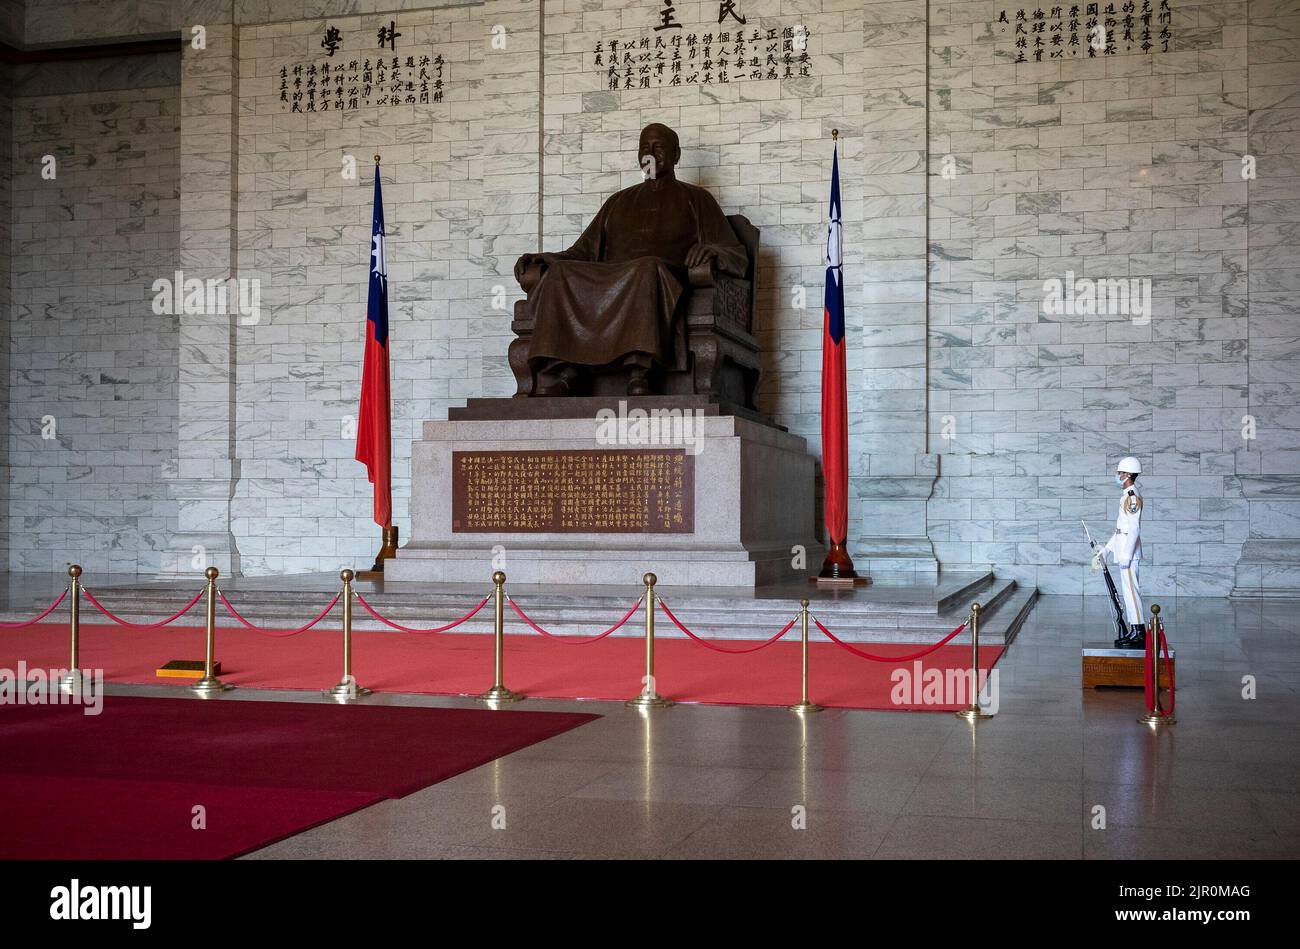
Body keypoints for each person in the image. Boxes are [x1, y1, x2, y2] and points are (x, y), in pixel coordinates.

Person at [513, 123, 748, 396]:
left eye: (658, 147)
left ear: (676, 155)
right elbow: (582, 252)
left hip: (661, 275)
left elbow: (737, 254)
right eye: (644, 148)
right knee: (561, 272)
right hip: (614, 277)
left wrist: (714, 251)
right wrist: (545, 258)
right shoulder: (618, 201)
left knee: (647, 266)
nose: (650, 153)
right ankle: (569, 372)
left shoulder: (696, 199)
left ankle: (639, 372)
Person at [1092, 456, 1146, 649]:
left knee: (1132, 593)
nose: (1119, 475)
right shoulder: (1126, 496)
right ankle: (1134, 630)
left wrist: (1127, 555)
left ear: (1129, 474)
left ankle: (1139, 633)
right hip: (1123, 552)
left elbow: (1134, 530)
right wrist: (1106, 550)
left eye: (1121, 473)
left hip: (1128, 555)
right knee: (1128, 593)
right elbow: (1120, 530)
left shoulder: (1132, 497)